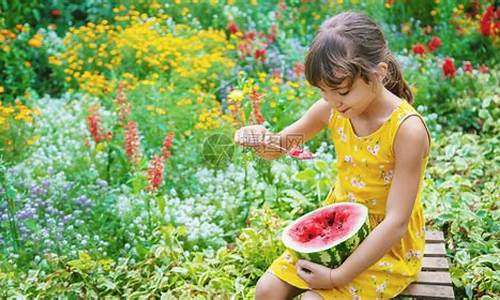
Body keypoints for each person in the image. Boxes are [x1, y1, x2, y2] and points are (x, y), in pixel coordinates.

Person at [234, 11, 431, 300]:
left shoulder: (407, 131)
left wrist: (337, 276)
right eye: (324, 92)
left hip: (388, 245)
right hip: (336, 231)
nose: (332, 101)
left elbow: (397, 222)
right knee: (266, 290)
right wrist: (255, 137)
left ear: (379, 72)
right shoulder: (330, 110)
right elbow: (276, 148)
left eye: (341, 91)